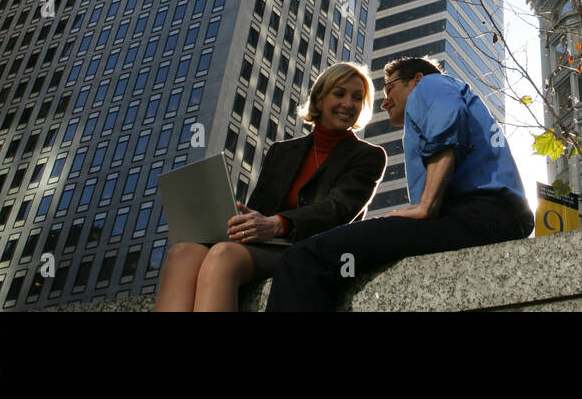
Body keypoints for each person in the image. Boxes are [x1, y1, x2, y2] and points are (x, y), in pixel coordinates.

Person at [265, 55, 534, 311]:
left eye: (389, 88)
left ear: (415, 79)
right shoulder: (448, 101)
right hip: (487, 218)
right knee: (346, 259)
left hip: (482, 215)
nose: (384, 102)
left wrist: (426, 205)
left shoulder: (430, 84)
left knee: (304, 259)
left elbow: (446, 125)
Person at [153, 62, 386, 311]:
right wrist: (205, 228)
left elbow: (337, 209)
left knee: (223, 257)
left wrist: (278, 223)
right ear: (318, 100)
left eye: (357, 98)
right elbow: (257, 210)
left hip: (314, 248)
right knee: (183, 253)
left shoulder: (368, 155)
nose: (349, 104)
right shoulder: (282, 152)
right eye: (339, 94)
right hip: (269, 244)